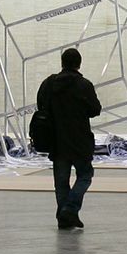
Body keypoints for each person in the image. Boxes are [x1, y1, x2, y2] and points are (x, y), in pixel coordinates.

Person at [35, 47, 101, 231]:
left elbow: (41, 105)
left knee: (61, 181)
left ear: (62, 63)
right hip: (80, 141)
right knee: (85, 176)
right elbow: (95, 109)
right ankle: (70, 210)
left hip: (57, 141)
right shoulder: (84, 85)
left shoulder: (49, 84)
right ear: (79, 64)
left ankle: (65, 217)